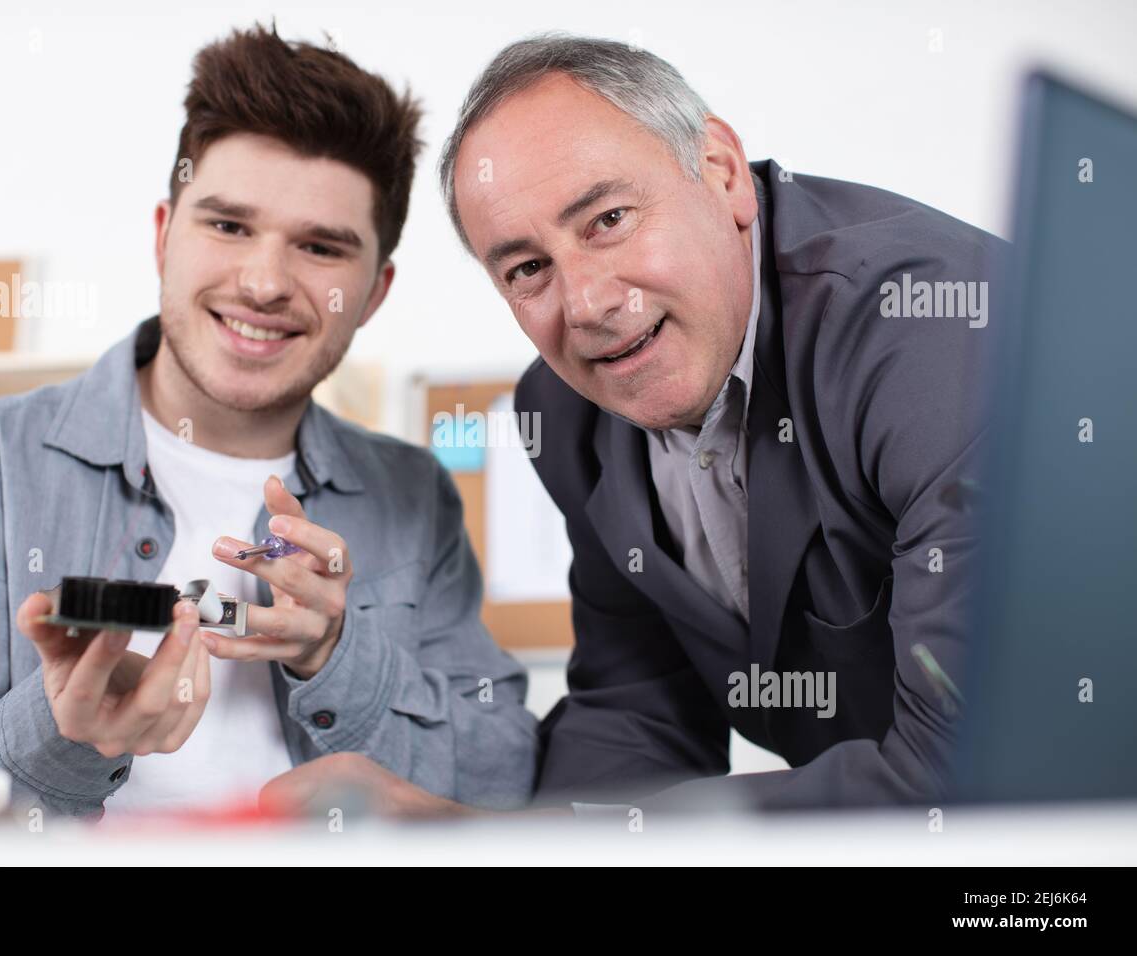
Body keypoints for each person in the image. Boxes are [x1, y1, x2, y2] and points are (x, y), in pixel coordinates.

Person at [263, 33, 998, 814]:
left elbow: (966, 774)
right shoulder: (566, 414)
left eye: (609, 218)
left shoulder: (928, 333)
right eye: (526, 269)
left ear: (721, 173)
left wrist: (492, 842)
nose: (587, 304)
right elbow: (636, 714)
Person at [0, 23, 537, 820]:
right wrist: (63, 734)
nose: (263, 283)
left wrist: (336, 655)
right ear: (165, 236)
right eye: (228, 226)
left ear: (374, 294)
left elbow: (503, 777)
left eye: (321, 247)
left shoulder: (413, 493)